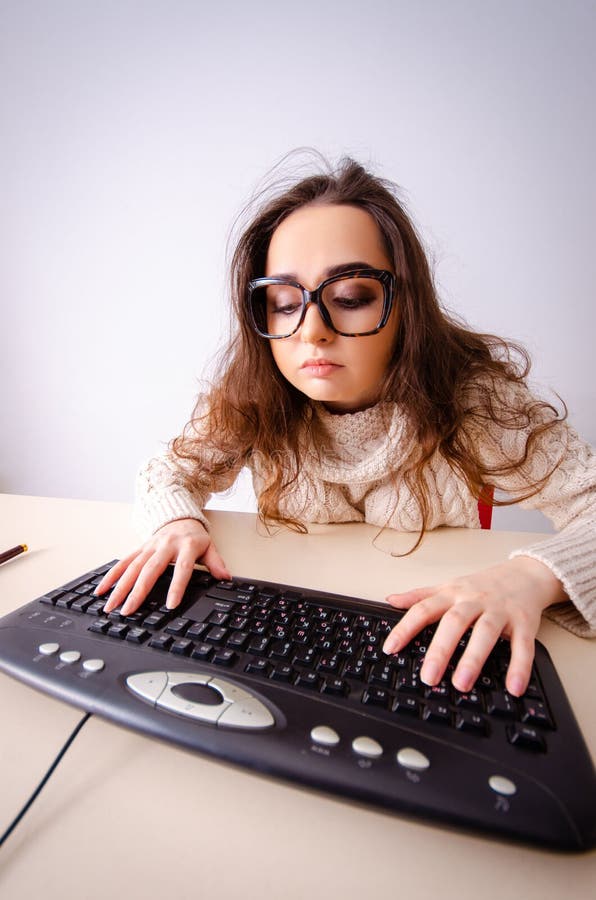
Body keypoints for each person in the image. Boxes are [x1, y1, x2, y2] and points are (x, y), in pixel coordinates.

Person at [96, 154, 596, 698]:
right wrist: (177, 524)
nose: (311, 331)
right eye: (284, 304)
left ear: (404, 303)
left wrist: (531, 577)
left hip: (427, 654)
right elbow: (168, 471)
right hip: (294, 643)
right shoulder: (254, 394)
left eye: (352, 298)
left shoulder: (475, 400)